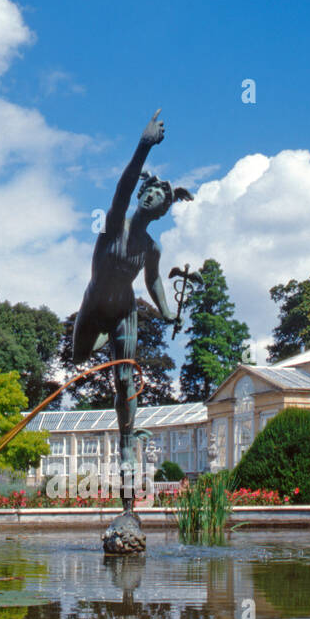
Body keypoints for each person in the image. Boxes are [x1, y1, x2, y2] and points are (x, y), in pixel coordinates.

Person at [72, 110, 191, 514]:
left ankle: (126, 449)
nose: (148, 196)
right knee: (79, 357)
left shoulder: (152, 249)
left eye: (157, 198)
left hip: (124, 311)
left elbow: (154, 283)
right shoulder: (113, 224)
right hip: (94, 307)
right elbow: (123, 186)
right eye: (148, 192)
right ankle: (125, 440)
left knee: (125, 379)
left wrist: (169, 311)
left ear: (160, 211)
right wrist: (143, 146)